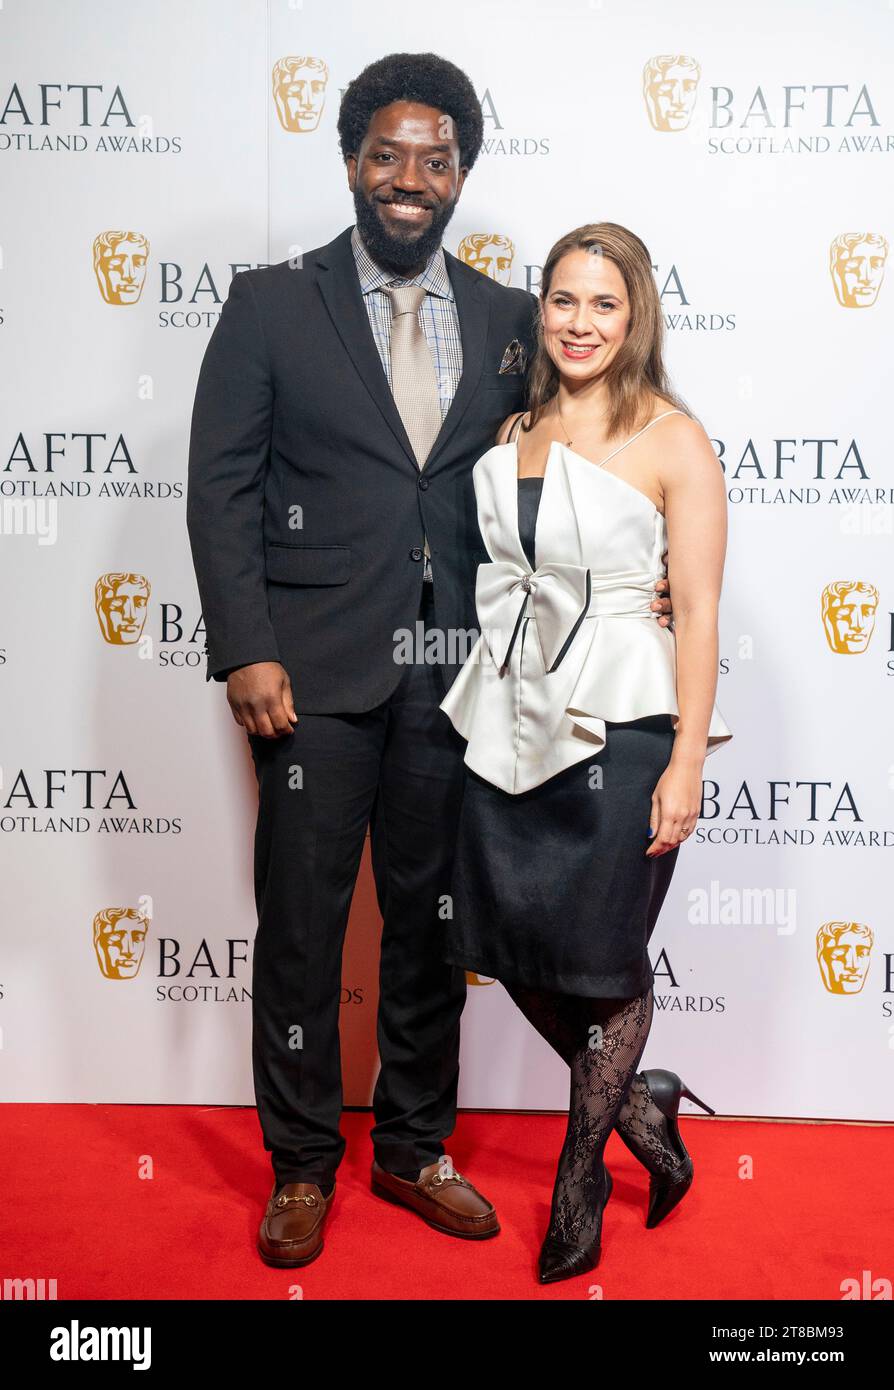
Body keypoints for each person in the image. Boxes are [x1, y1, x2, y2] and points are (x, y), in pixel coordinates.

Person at [186, 53, 677, 1269]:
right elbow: (220, 490)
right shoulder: (268, 304)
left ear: (464, 168)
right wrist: (246, 645)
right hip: (311, 675)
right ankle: (302, 1164)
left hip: (463, 678)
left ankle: (413, 1146)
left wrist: (653, 567)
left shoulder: (517, 319)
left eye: (436, 158)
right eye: (388, 155)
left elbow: (595, 444)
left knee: (429, 925)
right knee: (303, 926)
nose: (411, 179)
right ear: (351, 158)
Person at [440, 221, 733, 1284]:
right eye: (563, 300)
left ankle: (583, 1173)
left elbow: (695, 612)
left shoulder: (672, 438)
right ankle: (645, 1113)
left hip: (623, 728)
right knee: (511, 941)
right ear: (542, 309)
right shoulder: (516, 430)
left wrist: (688, 758)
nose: (580, 321)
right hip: (510, 718)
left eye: (604, 303)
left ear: (636, 314)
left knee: (604, 958)